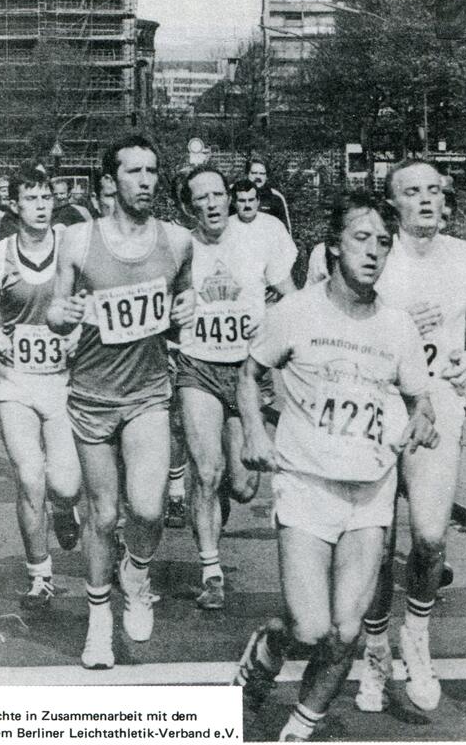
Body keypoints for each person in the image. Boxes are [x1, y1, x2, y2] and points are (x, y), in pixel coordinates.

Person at [233, 191, 437, 742]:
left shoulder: (397, 327)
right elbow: (248, 375)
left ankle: (301, 726)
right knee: (310, 626)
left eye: (383, 243)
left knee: (346, 631)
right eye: (361, 238)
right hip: (306, 485)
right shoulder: (295, 313)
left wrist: (422, 420)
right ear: (333, 246)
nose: (373, 252)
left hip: (370, 492)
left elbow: (421, 400)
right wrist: (253, 428)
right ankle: (269, 646)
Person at [47, 132, 193, 669]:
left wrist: (187, 309)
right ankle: (98, 621)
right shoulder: (79, 240)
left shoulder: (177, 242)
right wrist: (61, 316)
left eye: (152, 171)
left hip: (149, 395)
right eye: (134, 172)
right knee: (104, 517)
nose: (147, 181)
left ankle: (137, 574)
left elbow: (186, 296)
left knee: (150, 508)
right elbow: (58, 309)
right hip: (91, 396)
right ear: (111, 181)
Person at [355, 160, 466, 715]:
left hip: (440, 407)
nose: (426, 199)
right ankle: (376, 649)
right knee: (377, 541)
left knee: (429, 536)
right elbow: (336, 320)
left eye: (434, 189)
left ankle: (417, 636)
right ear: (393, 202)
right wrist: (397, 317)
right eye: (412, 191)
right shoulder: (377, 256)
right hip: (377, 408)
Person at [177, 166, 296, 610]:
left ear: (230, 197)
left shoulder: (261, 238)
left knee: (243, 486)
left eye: (217, 194)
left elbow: (292, 296)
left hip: (247, 374)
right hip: (198, 369)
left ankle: (212, 498)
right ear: (189, 206)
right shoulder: (180, 246)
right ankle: (211, 571)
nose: (210, 204)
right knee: (205, 471)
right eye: (200, 198)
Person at [0, 162, 82, 609]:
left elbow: (89, 297)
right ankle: (40, 574)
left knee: (66, 485)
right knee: (29, 476)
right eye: (30, 199)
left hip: (61, 383)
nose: (40, 206)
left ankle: (64, 508)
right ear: (14, 207)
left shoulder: (72, 249)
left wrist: (77, 332)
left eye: (45, 198)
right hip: (15, 382)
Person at [245, 156, 292, 232]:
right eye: (254, 173)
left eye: (262, 174)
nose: (258, 177)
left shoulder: (276, 198)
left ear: (266, 176)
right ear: (247, 174)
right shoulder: (234, 193)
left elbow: (285, 231)